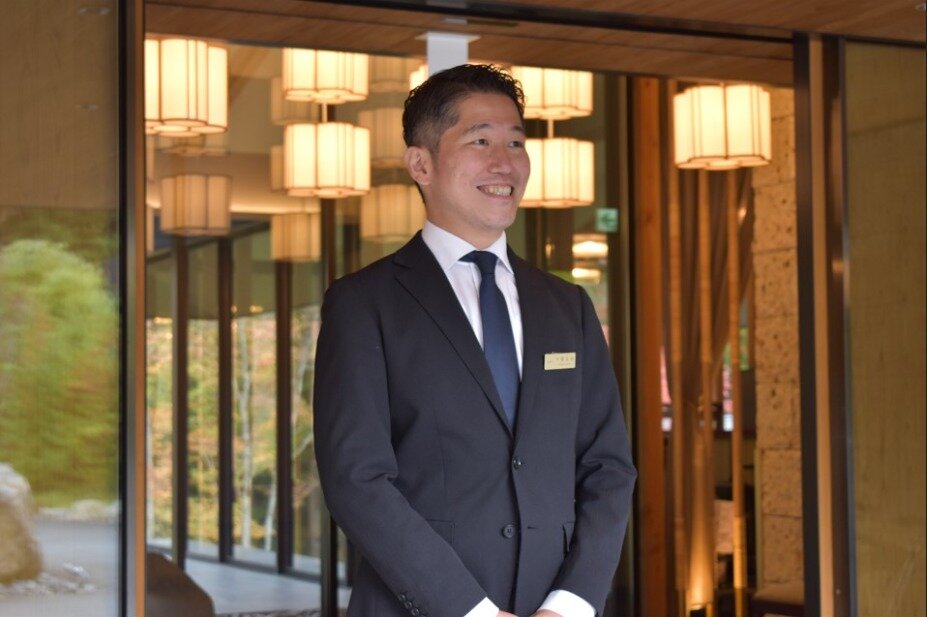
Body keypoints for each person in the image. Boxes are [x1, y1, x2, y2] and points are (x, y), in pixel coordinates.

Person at [313, 64, 636, 617]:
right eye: (480, 141)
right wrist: (470, 610)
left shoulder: (568, 307)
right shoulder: (364, 303)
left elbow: (608, 468)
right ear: (421, 164)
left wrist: (571, 603)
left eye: (516, 142)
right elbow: (356, 479)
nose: (504, 163)